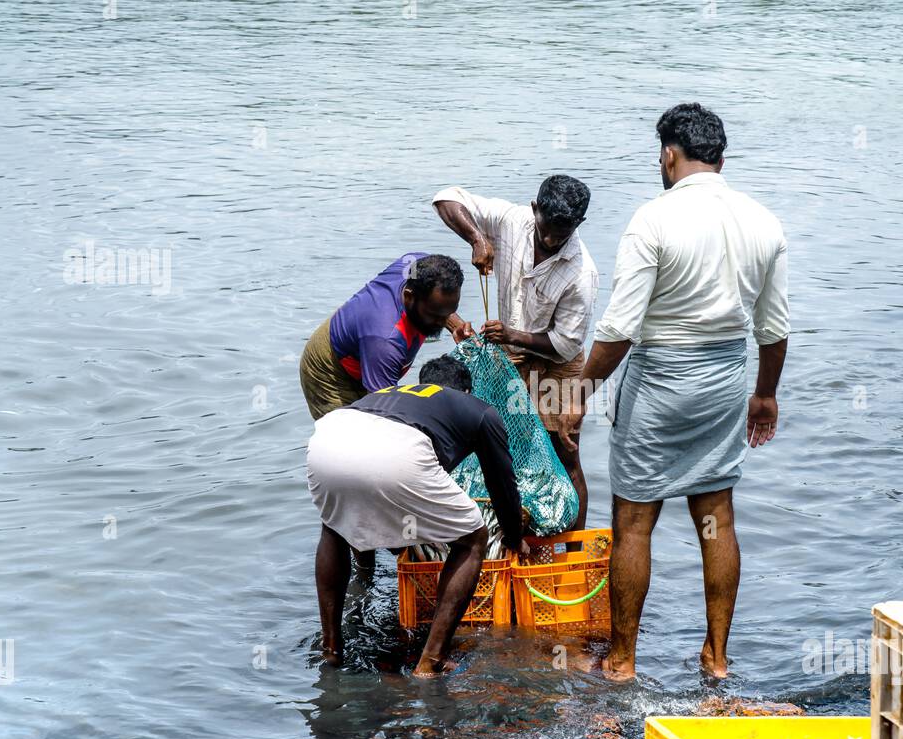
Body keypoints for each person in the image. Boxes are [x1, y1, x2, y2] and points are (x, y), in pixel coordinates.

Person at [556, 102, 789, 682]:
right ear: (722, 159)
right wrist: (765, 395)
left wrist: (580, 391)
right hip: (726, 380)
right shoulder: (764, 220)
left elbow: (618, 328)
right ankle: (716, 657)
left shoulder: (653, 219)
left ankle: (622, 660)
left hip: (662, 379)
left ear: (668, 154)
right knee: (716, 515)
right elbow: (775, 328)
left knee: (634, 521)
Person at [305, 355, 524, 676]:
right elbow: (502, 487)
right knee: (473, 539)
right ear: (466, 390)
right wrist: (515, 538)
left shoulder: (397, 393)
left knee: (333, 528)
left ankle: (332, 648)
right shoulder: (478, 409)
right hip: (395, 451)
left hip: (328, 439)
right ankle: (431, 660)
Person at [432, 176, 599, 529]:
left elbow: (566, 344)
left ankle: (572, 544)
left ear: (579, 224)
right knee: (505, 449)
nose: (552, 240)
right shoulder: (510, 220)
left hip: (558, 365)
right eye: (546, 229)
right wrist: (477, 238)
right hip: (509, 355)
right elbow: (446, 197)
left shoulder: (582, 273)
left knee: (564, 453)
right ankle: (520, 530)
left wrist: (514, 335)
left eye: (562, 232)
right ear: (534, 209)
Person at [299, 252, 470, 572]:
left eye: (449, 309)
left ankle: (381, 541)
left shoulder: (419, 266)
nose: (441, 322)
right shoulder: (385, 341)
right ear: (409, 296)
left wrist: (453, 323)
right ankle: (364, 563)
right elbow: (387, 424)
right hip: (331, 374)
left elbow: (437, 306)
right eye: (436, 315)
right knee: (359, 467)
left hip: (361, 350)